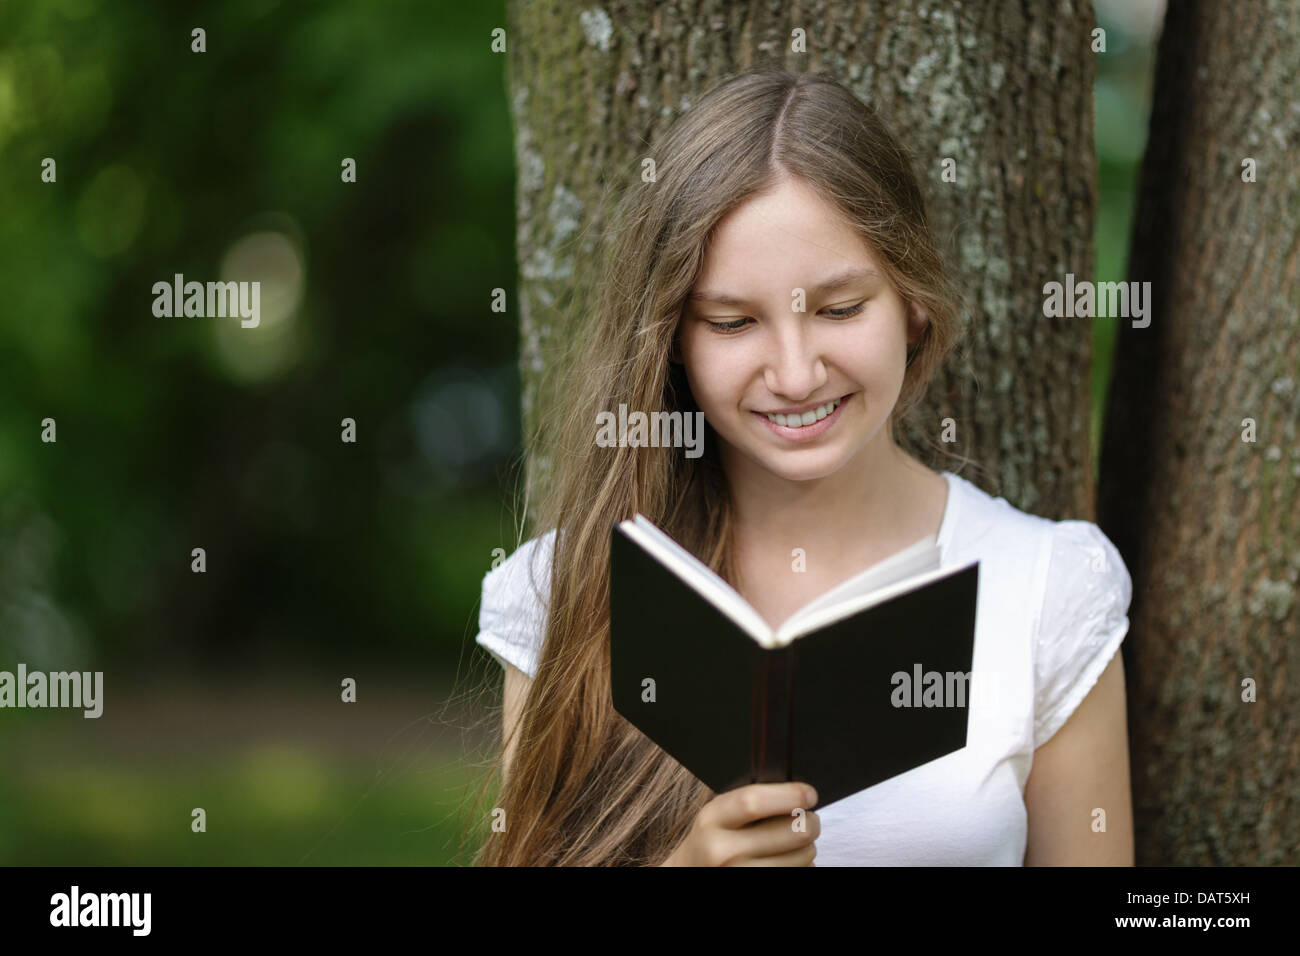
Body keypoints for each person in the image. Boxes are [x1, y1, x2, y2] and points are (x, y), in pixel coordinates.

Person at [472, 68, 1134, 866]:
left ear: (913, 302)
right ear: (674, 340)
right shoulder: (566, 590)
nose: (794, 374)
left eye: (840, 309)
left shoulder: (1045, 589)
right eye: (732, 321)